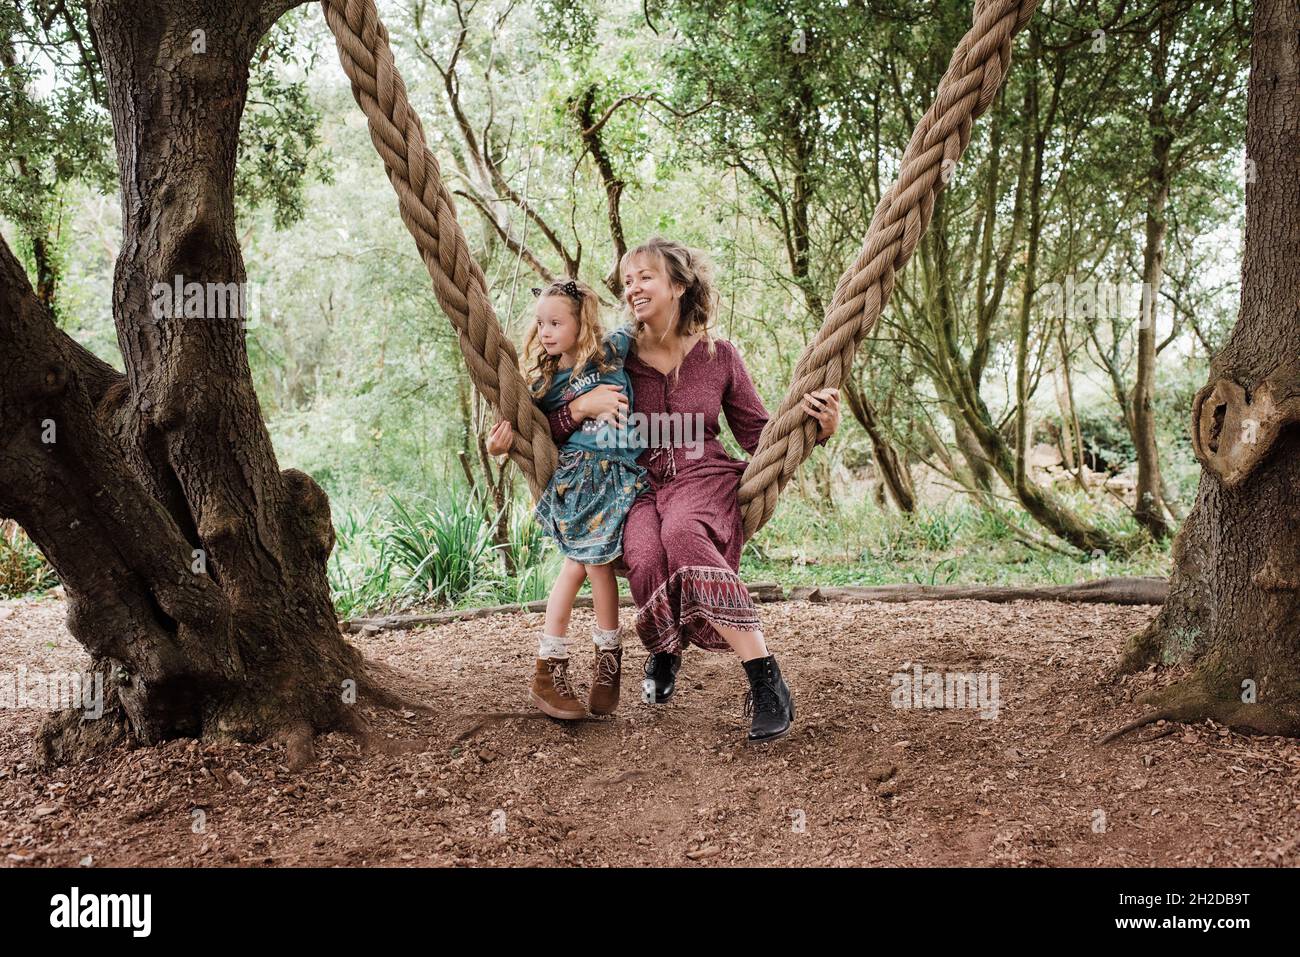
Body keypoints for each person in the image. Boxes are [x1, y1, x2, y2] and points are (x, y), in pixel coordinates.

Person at [545, 238, 841, 742]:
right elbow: (555, 415)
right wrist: (580, 408)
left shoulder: (718, 355)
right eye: (628, 279)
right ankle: (665, 652)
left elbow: (758, 433)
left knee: (682, 533)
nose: (633, 287)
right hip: (634, 485)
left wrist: (818, 429)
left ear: (679, 285)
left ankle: (765, 680)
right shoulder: (612, 355)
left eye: (645, 276)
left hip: (702, 475)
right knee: (643, 551)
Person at [486, 278, 647, 720]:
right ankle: (596, 661)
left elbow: (646, 319)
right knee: (590, 565)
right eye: (540, 324)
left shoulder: (611, 352)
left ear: (584, 324)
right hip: (581, 479)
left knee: (589, 565)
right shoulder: (547, 380)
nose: (546, 332)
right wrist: (500, 446)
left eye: (556, 322)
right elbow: (539, 431)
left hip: (623, 476)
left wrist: (666, 289)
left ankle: (569, 665)